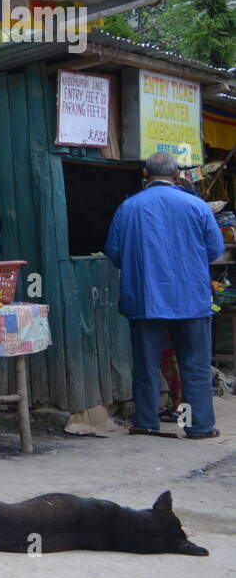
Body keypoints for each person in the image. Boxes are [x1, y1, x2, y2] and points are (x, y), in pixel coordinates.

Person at [106, 151, 222, 440]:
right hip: (191, 298)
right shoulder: (197, 206)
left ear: (146, 174)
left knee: (146, 365)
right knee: (194, 366)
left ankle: (146, 422)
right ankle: (198, 426)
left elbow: (114, 252)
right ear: (176, 175)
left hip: (145, 298)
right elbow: (214, 249)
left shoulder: (128, 207)